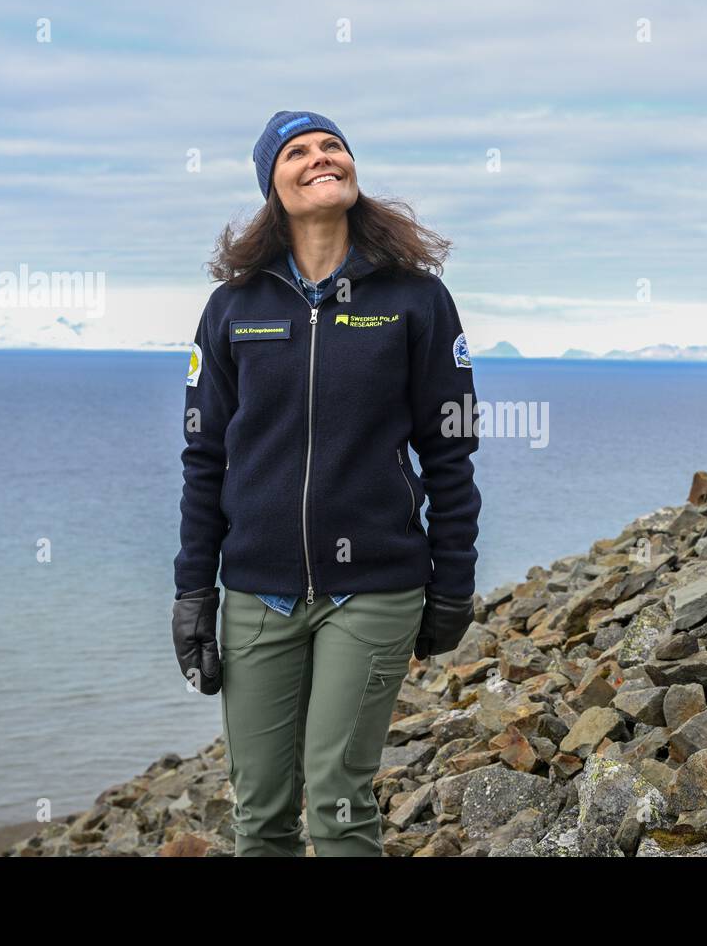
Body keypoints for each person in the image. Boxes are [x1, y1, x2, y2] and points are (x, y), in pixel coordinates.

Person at [169, 110, 482, 856]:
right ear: (271, 185)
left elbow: (452, 450)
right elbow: (204, 458)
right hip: (256, 592)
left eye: (332, 146)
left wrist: (453, 583)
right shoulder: (234, 309)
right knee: (261, 810)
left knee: (339, 799)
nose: (320, 158)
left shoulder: (416, 299)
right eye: (297, 152)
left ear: (351, 171)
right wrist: (192, 594)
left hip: (373, 590)